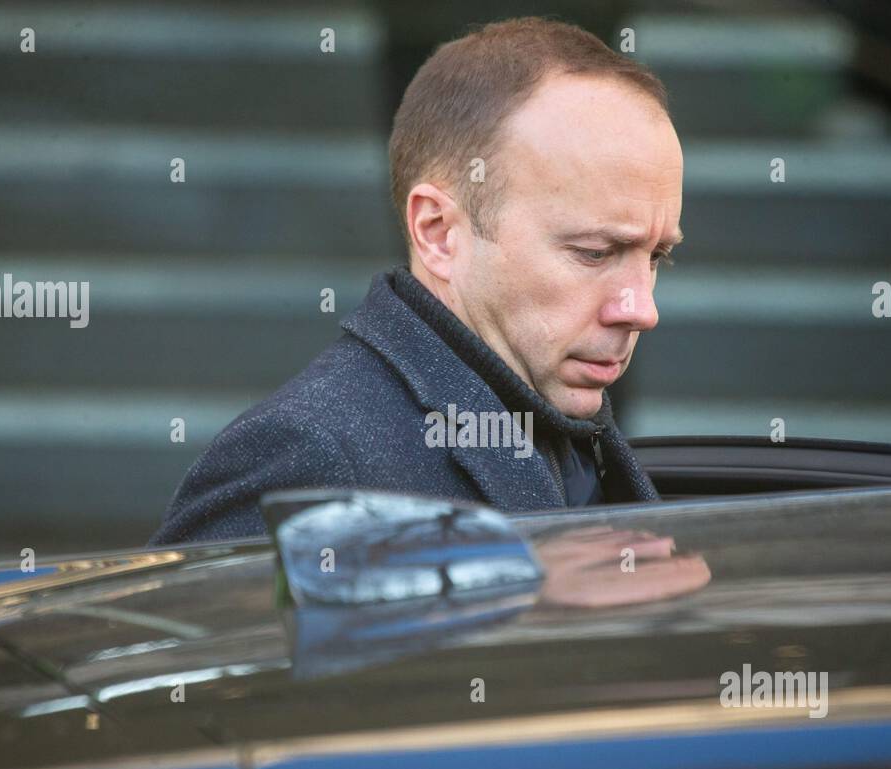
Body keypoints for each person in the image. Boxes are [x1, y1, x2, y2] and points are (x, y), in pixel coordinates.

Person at [151, 16, 684, 545]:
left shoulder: (560, 431)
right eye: (594, 253)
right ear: (438, 233)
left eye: (656, 255)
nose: (642, 309)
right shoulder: (310, 459)